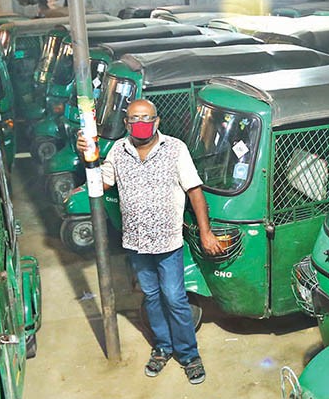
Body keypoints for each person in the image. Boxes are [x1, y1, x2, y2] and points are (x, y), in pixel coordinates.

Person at [77, 99, 221, 384]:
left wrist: (206, 231)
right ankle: (163, 348)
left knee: (175, 298)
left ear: (157, 121)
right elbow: (100, 184)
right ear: (126, 122)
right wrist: (87, 155)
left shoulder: (176, 149)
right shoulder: (118, 151)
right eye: (134, 118)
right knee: (152, 297)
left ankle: (189, 355)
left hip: (168, 242)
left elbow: (195, 192)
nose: (140, 123)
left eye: (146, 117)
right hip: (136, 242)